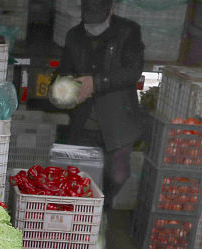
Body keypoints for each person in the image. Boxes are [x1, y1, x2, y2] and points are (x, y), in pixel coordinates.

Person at [59, 0, 145, 201]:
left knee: (118, 175)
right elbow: (63, 71)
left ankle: (103, 207)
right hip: (85, 121)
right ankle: (88, 216)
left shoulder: (129, 31)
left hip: (118, 121)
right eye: (89, 22)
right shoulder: (74, 35)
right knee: (80, 180)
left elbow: (133, 71)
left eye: (99, 22)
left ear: (111, 10)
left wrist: (96, 82)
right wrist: (63, 90)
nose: (94, 29)